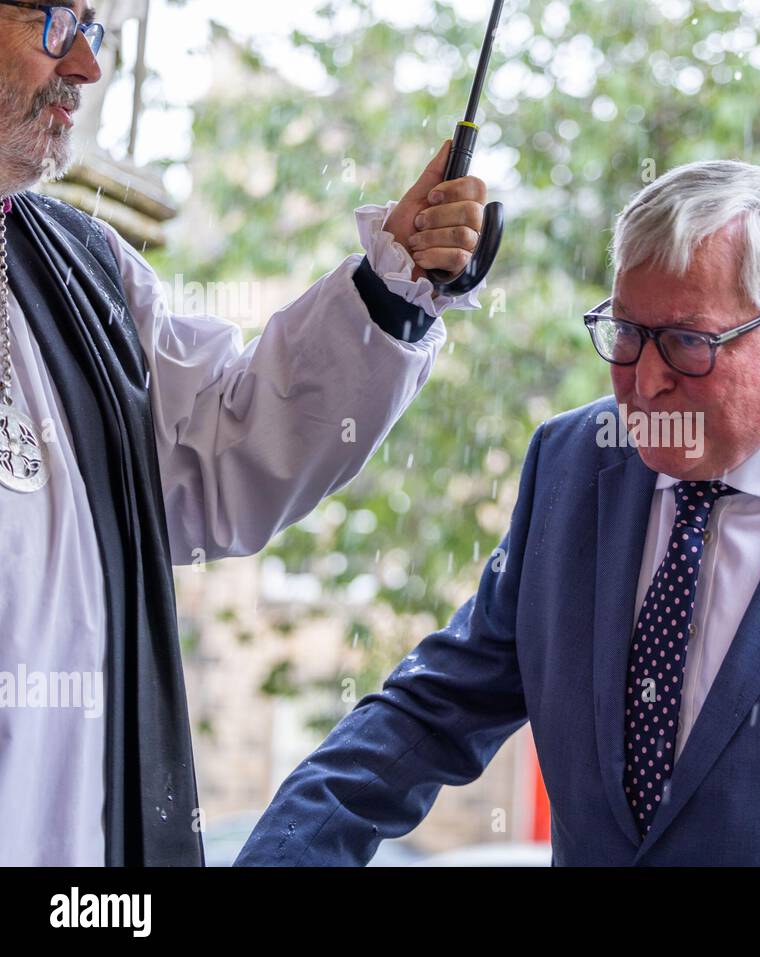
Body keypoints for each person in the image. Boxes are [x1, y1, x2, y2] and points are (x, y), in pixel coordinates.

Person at [237, 158, 760, 866]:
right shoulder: (572, 465)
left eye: (686, 343)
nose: (644, 382)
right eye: (626, 334)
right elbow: (428, 714)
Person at [0, 0, 491, 865]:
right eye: (52, 21)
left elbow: (225, 448)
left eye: (94, 27)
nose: (86, 65)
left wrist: (393, 285)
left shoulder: (90, 271)